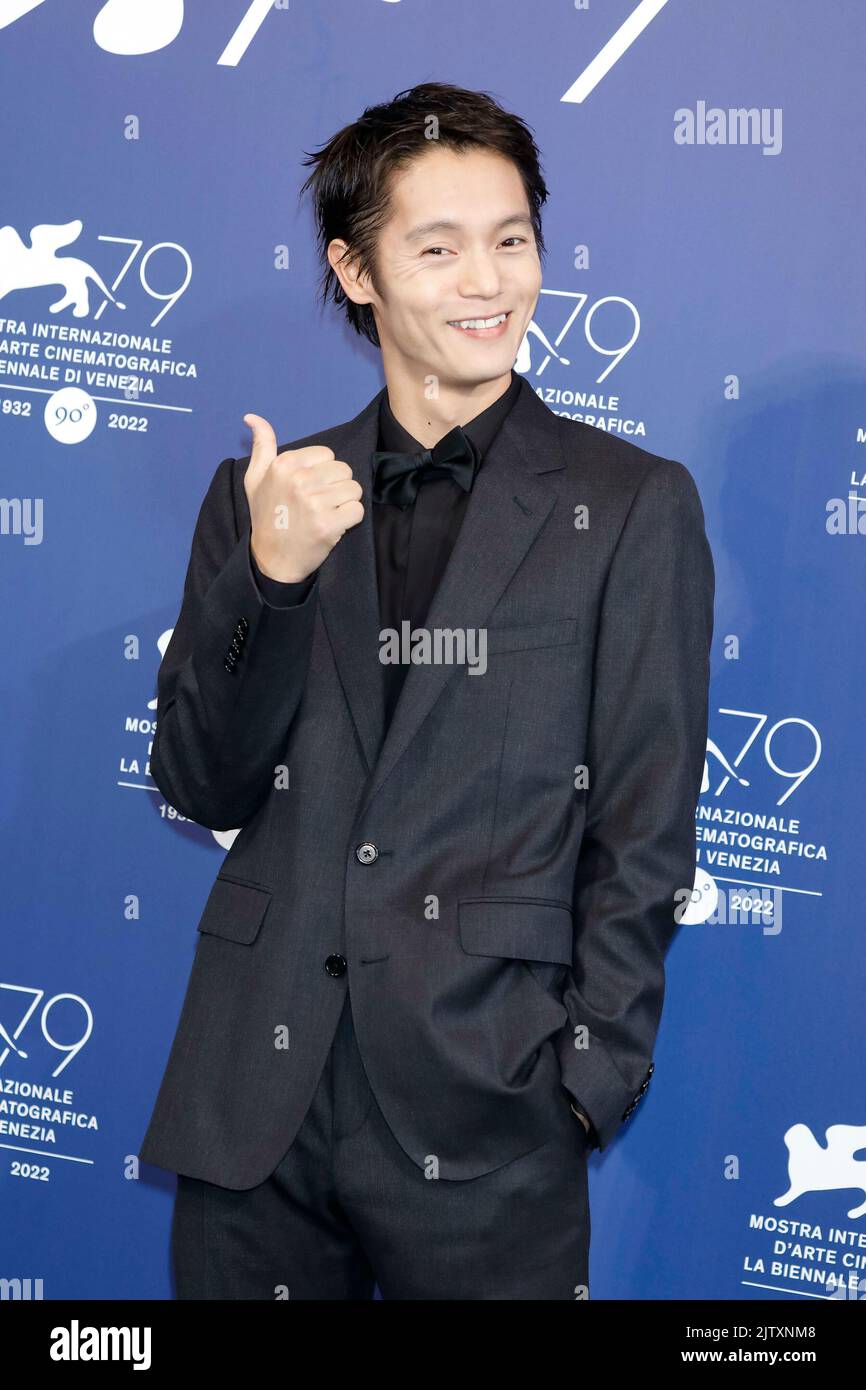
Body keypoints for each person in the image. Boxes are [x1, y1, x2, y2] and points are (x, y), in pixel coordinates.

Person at [139, 81, 714, 1300]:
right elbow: (199, 778)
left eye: (511, 241)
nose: (487, 283)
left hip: (489, 1110)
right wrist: (274, 582)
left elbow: (643, 823)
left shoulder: (626, 506)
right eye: (438, 248)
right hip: (256, 1107)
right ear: (355, 272)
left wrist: (581, 1076)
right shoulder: (267, 497)